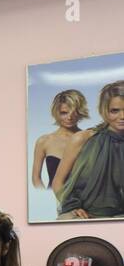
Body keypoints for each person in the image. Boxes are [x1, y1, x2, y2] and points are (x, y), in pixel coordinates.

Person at [52, 81, 124, 219]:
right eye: (115, 110)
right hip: (84, 214)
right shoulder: (82, 138)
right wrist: (72, 208)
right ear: (104, 110)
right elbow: (58, 182)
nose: (122, 117)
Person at [32, 90, 88, 190]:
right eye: (64, 113)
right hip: (53, 201)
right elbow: (36, 178)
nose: (69, 117)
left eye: (74, 112)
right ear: (56, 113)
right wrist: (46, 198)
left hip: (83, 202)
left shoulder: (89, 139)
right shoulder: (44, 141)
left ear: (80, 113)